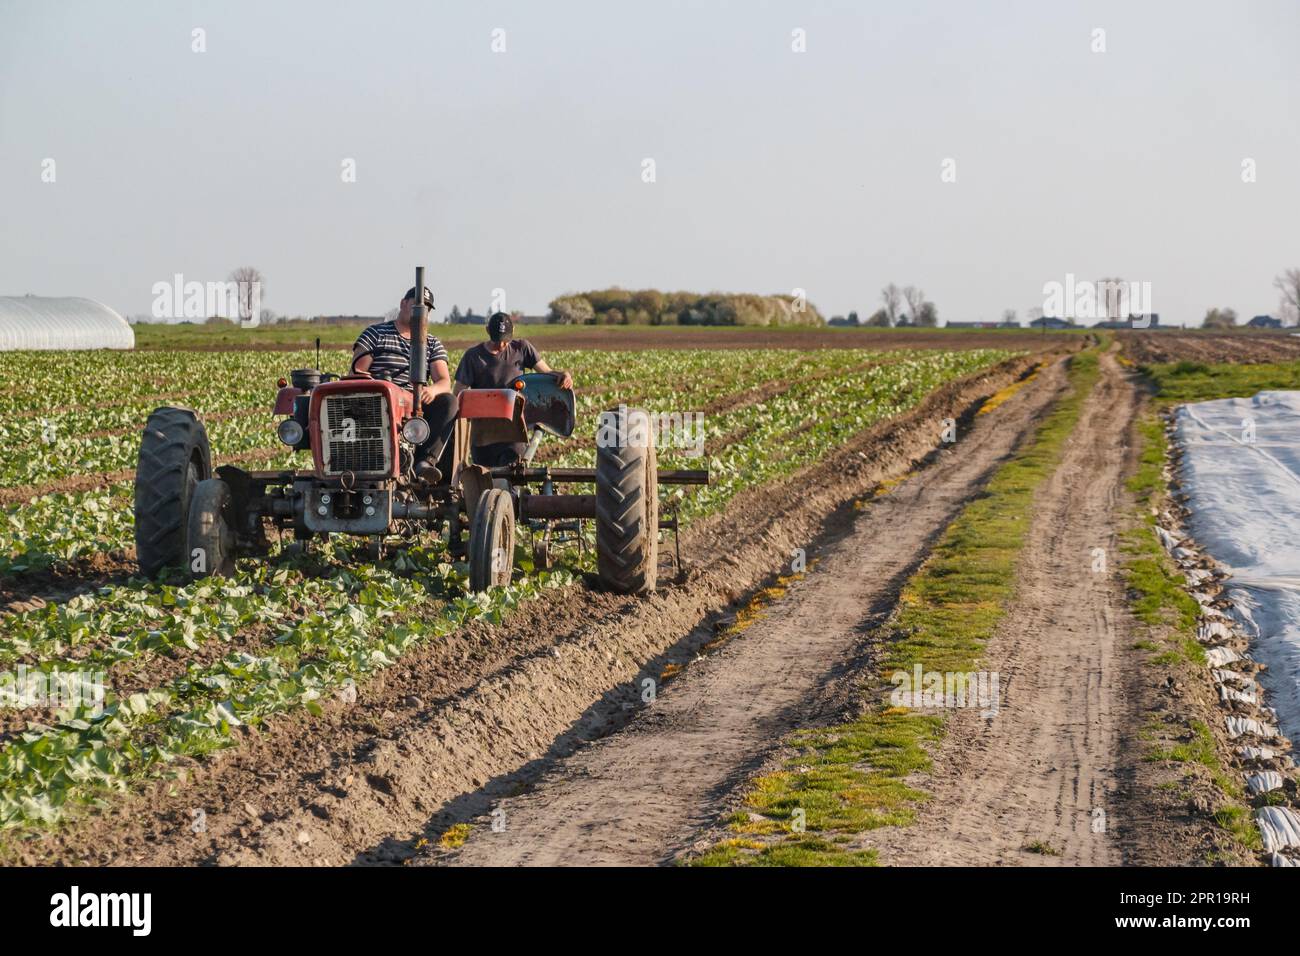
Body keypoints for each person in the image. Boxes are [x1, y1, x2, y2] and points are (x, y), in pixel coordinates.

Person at [351, 285, 456, 482]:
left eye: (426, 309)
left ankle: (424, 461)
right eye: (416, 306)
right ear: (403, 303)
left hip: (413, 403)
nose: (420, 312)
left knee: (449, 402)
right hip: (377, 399)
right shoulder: (376, 334)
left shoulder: (431, 343)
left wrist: (432, 389)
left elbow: (444, 381)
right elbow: (357, 373)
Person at [453, 312, 572, 466]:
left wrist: (563, 375)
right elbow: (458, 394)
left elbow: (547, 374)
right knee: (484, 478)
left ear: (513, 331)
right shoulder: (473, 357)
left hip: (513, 431)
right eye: (497, 340)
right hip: (483, 433)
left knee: (513, 478)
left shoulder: (522, 348)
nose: (501, 345)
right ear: (487, 331)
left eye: (505, 340)